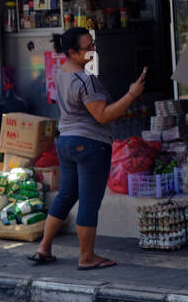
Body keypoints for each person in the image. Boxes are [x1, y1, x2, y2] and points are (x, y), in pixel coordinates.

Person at [29, 27, 145, 270]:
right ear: (72, 52)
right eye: (88, 47)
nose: (93, 50)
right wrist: (131, 94)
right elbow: (102, 116)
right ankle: (87, 256)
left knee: (67, 195)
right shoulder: (85, 80)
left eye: (93, 44)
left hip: (66, 142)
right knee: (89, 201)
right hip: (90, 144)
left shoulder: (61, 72)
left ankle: (44, 248)